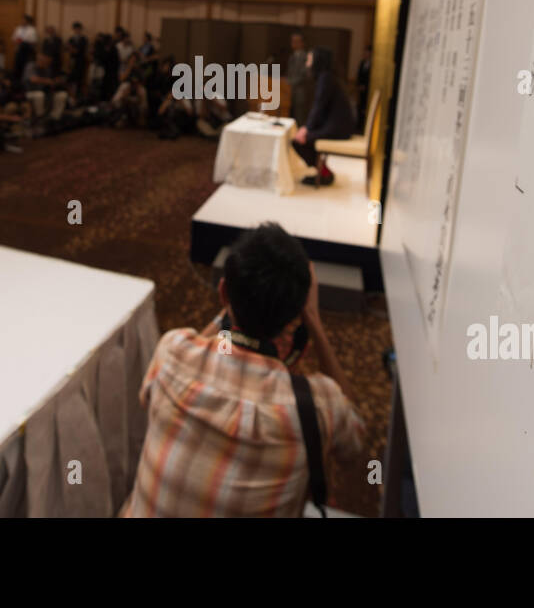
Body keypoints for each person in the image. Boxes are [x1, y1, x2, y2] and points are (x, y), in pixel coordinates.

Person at [123, 223, 364, 518]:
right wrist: (312, 316)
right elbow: (355, 441)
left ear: (223, 291)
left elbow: (211, 348)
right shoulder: (317, 404)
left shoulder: (173, 351)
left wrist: (232, 305)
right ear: (295, 317)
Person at [291, 47, 356, 186]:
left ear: (317, 61)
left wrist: (306, 129)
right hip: (339, 126)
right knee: (303, 138)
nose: (307, 64)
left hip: (337, 128)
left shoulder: (325, 78)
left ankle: (324, 174)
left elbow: (318, 107)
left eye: (309, 60)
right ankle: (323, 172)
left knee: (298, 140)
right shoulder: (328, 76)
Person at [22, 51, 68, 121]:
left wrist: (57, 82)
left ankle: (54, 118)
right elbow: (33, 79)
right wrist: (48, 81)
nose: (46, 63)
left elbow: (52, 82)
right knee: (40, 95)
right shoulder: (30, 66)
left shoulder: (47, 68)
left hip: (45, 91)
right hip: (30, 92)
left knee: (62, 95)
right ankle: (40, 118)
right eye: (44, 61)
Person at [286, 32, 311, 126]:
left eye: (296, 41)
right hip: (288, 93)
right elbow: (289, 73)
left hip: (300, 93)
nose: (294, 43)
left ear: (302, 43)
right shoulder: (292, 56)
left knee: (299, 119)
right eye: (292, 41)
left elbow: (303, 75)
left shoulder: (306, 57)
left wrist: (289, 82)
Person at [355, 44, 372, 126]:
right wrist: (359, 85)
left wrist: (366, 86)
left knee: (366, 107)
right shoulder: (362, 63)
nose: (365, 54)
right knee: (360, 106)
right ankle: (359, 124)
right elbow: (359, 75)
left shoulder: (373, 64)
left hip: (368, 89)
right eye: (365, 52)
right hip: (361, 88)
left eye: (367, 53)